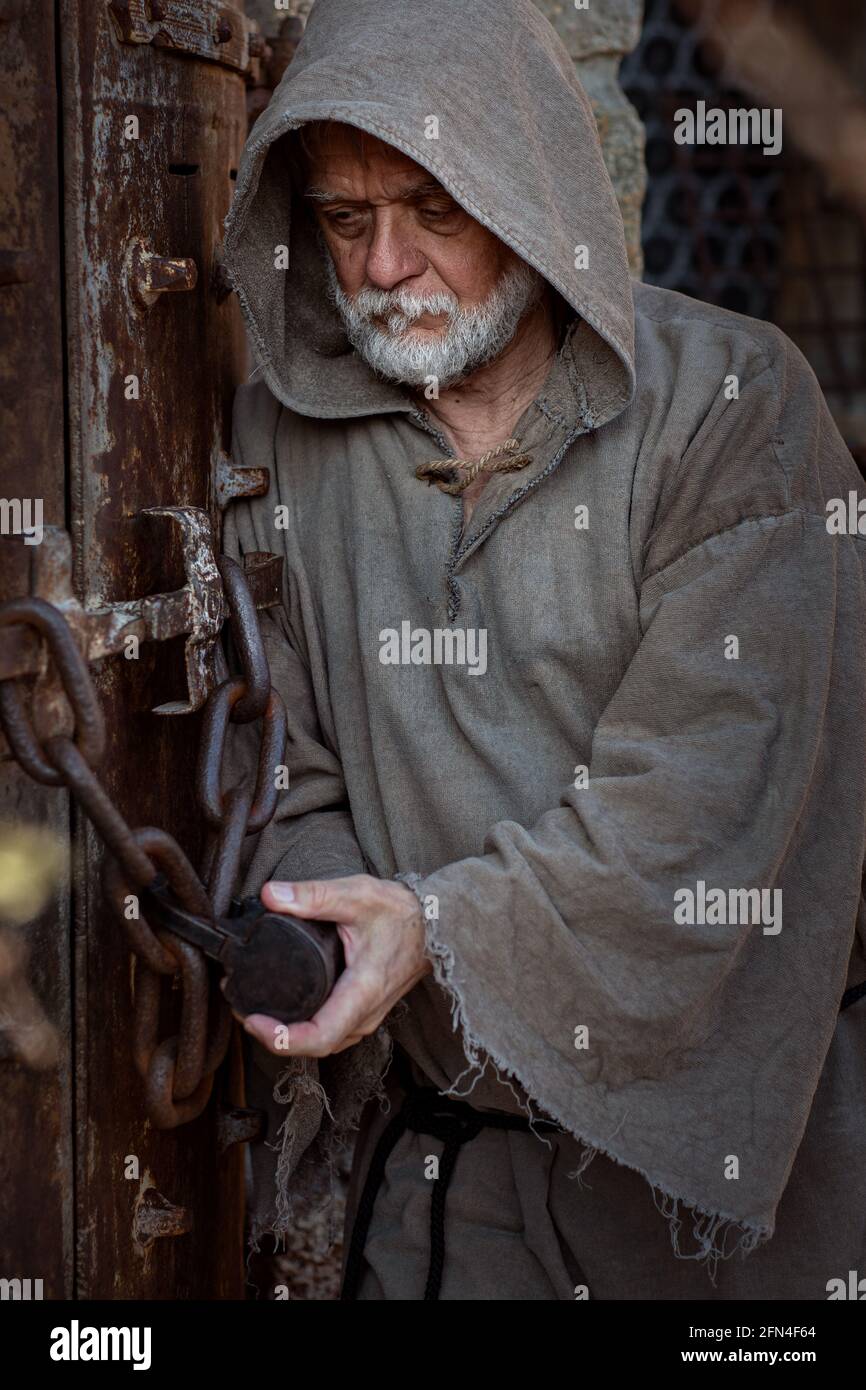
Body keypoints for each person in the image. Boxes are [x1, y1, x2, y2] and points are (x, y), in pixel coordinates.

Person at [221, 0, 866, 1299]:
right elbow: (273, 762)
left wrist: (438, 929)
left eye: (434, 209)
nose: (385, 264)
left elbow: (700, 808)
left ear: (529, 190)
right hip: (445, 1187)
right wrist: (333, 924)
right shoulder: (275, 444)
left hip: (712, 1184)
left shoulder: (734, 408)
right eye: (344, 218)